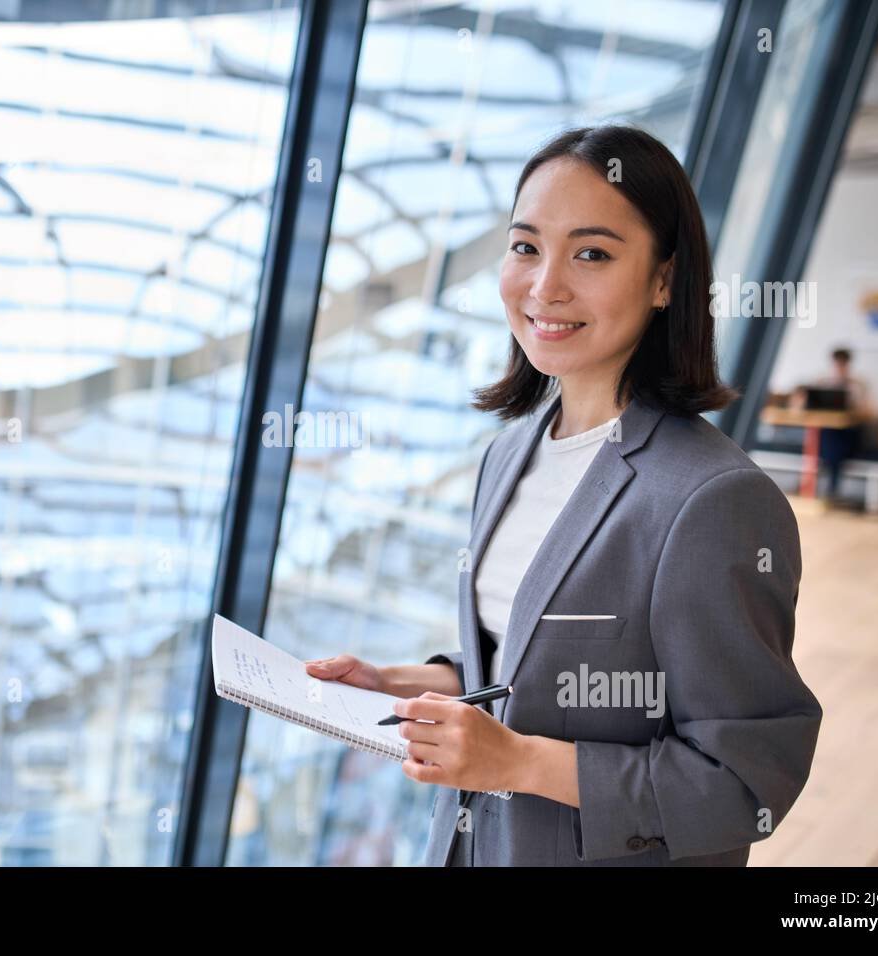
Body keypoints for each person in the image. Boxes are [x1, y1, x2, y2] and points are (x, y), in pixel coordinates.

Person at [304, 124, 822, 866]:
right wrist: (397, 682)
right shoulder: (510, 453)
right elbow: (527, 667)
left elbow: (745, 784)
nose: (546, 285)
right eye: (525, 247)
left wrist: (516, 763)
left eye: (592, 254)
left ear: (665, 279)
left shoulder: (713, 501)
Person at [815, 347, 872, 504]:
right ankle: (831, 489)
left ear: (848, 365)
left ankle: (822, 486)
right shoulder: (822, 384)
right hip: (828, 433)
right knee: (827, 434)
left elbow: (867, 412)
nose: (839, 368)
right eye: (837, 364)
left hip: (850, 435)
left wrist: (854, 406)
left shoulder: (857, 386)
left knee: (833, 439)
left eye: (842, 364)